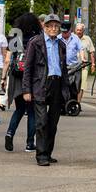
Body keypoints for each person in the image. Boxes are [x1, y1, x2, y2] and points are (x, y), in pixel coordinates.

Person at [21, 14, 69, 166]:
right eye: (50, 26)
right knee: (41, 122)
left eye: (56, 26)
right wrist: (26, 90)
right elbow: (27, 67)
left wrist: (66, 90)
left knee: (53, 122)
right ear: (45, 27)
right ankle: (41, 155)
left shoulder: (61, 45)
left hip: (56, 83)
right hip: (41, 84)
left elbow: (64, 69)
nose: (54, 29)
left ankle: (47, 152)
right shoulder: (35, 42)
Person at [5, 12, 41, 152]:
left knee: (19, 109)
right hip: (31, 77)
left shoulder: (15, 37)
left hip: (16, 77)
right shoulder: (37, 38)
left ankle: (10, 133)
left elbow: (8, 59)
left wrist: (3, 78)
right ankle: (30, 143)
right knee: (31, 111)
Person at [75, 23, 95, 97]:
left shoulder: (87, 39)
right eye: (77, 30)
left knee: (82, 86)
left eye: (80, 30)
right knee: (73, 86)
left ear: (83, 31)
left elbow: (92, 52)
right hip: (73, 66)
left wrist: (93, 64)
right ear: (75, 30)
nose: (79, 31)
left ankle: (77, 104)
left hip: (84, 67)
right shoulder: (72, 38)